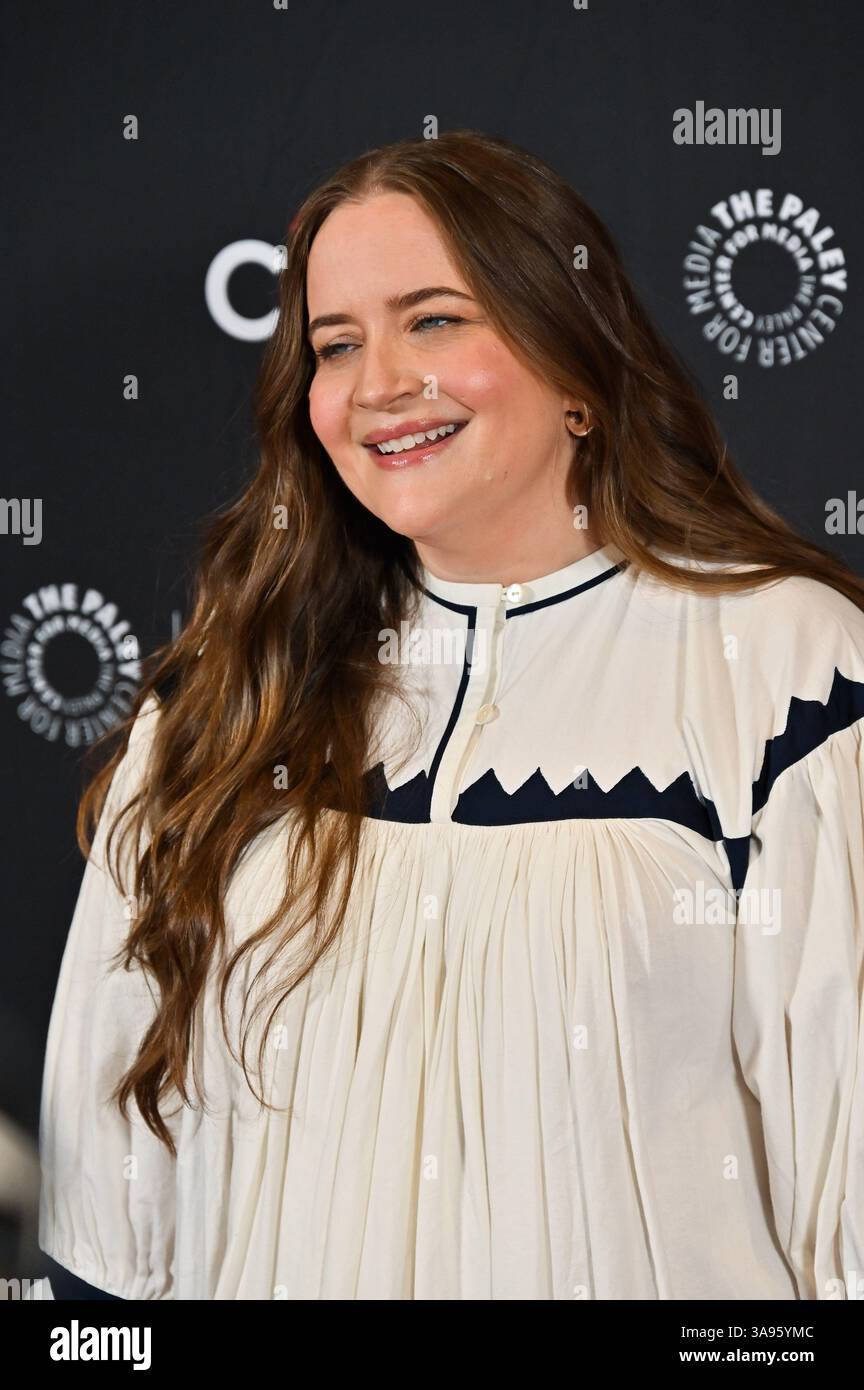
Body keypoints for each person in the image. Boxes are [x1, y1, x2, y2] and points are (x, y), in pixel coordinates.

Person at [38, 130, 863, 1301]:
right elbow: (106, 1220)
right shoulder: (225, 699)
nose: (377, 384)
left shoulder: (788, 669)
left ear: (576, 364)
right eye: (336, 344)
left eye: (434, 319)